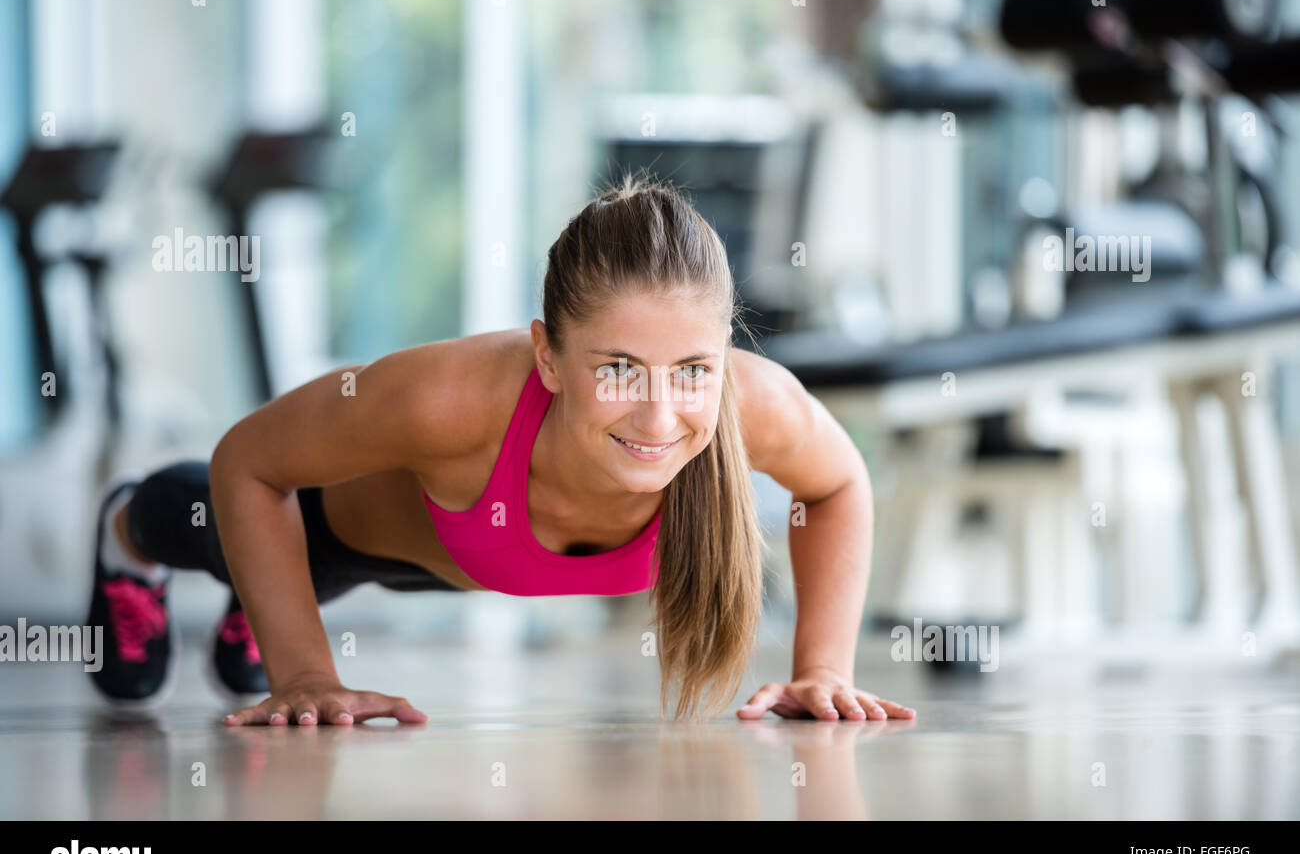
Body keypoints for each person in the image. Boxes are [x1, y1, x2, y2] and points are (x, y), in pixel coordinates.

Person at [86, 176, 915, 725]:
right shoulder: (447, 399)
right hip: (336, 535)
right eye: (620, 368)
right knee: (204, 531)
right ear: (548, 355)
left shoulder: (750, 405)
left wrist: (823, 667)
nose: (662, 416)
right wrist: (304, 671)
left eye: (693, 369)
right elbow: (249, 461)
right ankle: (130, 535)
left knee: (264, 591)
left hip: (443, 558)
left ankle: (265, 603)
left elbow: (841, 482)